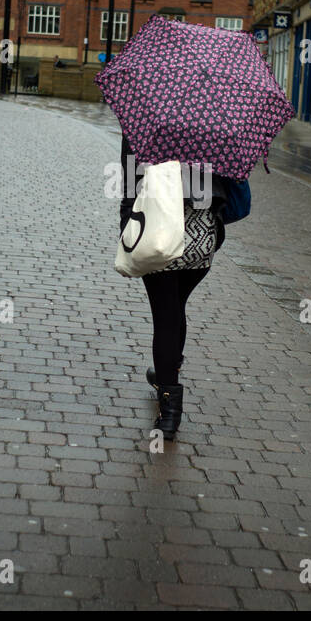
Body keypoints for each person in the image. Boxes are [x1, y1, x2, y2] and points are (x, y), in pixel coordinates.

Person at [121, 135, 228, 441]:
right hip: (201, 234)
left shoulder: (143, 119)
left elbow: (130, 180)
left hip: (157, 233)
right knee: (174, 308)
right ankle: (166, 371)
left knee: (166, 316)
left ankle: (170, 411)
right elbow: (224, 178)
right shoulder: (213, 119)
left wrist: (125, 229)